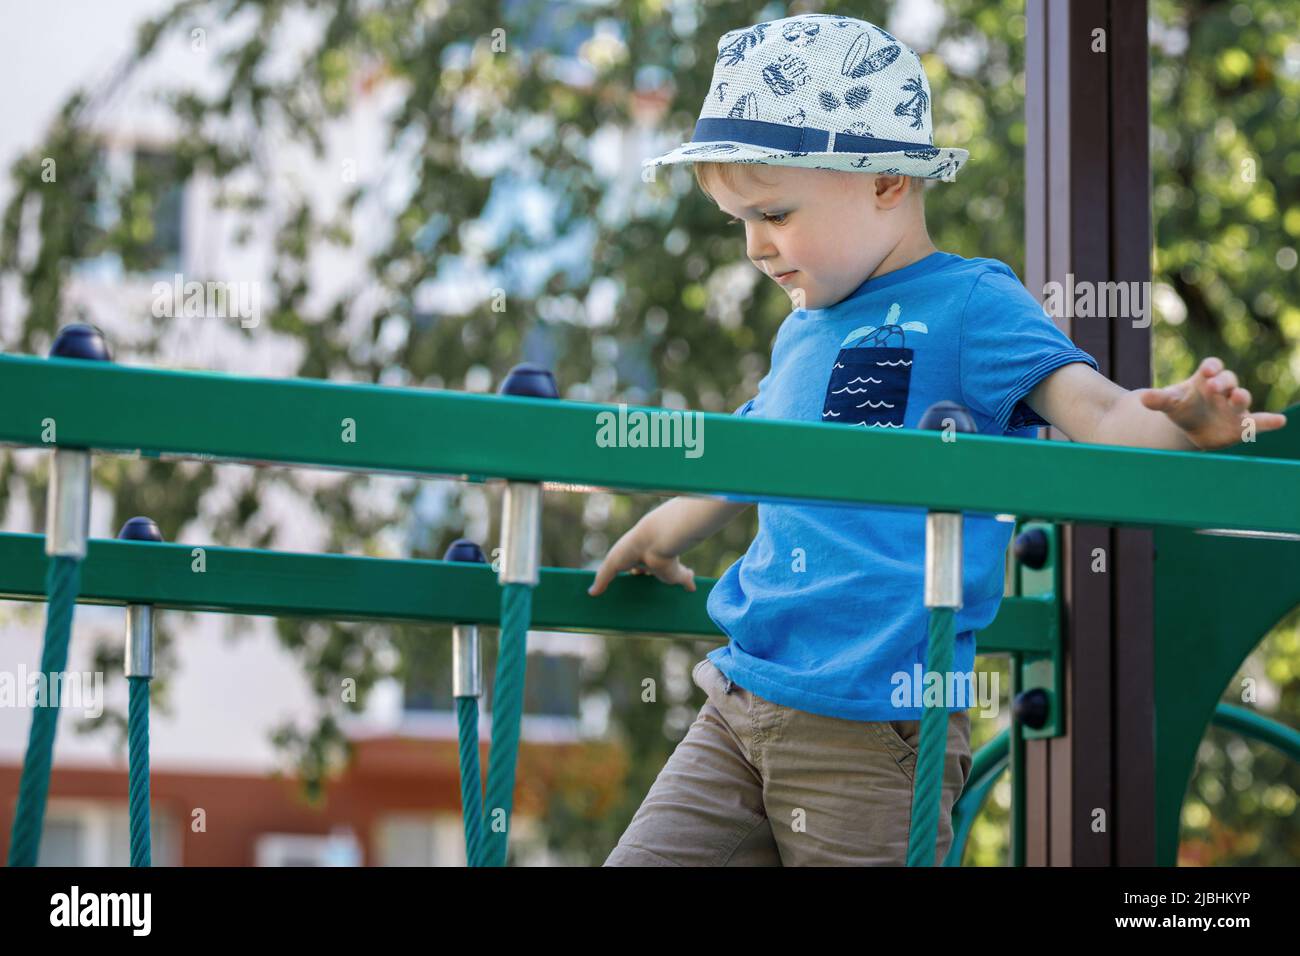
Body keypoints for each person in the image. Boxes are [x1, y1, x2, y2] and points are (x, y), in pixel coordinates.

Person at [587, 13, 1286, 866]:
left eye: (772, 213)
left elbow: (1100, 417)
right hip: (741, 695)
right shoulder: (803, 327)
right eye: (739, 220)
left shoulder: (970, 305)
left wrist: (1186, 426)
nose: (755, 247)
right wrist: (662, 530)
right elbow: (754, 448)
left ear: (885, 181)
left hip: (875, 722)